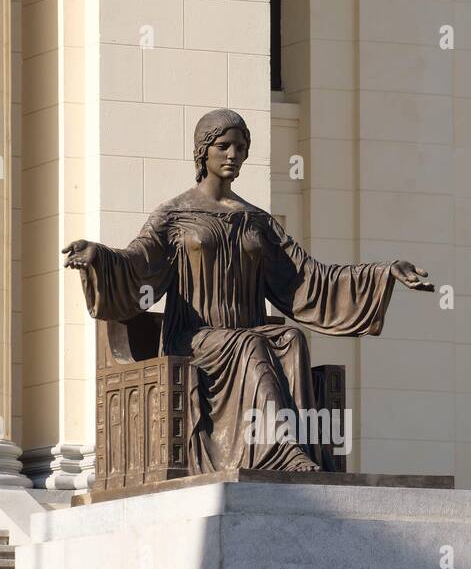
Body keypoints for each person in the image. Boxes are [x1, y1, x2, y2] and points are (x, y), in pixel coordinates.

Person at [63, 108, 433, 473]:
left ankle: (300, 447)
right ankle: (279, 452)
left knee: (291, 338)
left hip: (245, 331)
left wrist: (384, 273)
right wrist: (100, 257)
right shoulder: (174, 215)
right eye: (223, 146)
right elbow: (138, 260)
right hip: (194, 339)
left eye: (240, 147)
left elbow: (307, 277)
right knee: (249, 345)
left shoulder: (256, 220)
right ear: (202, 152)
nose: (233, 155)